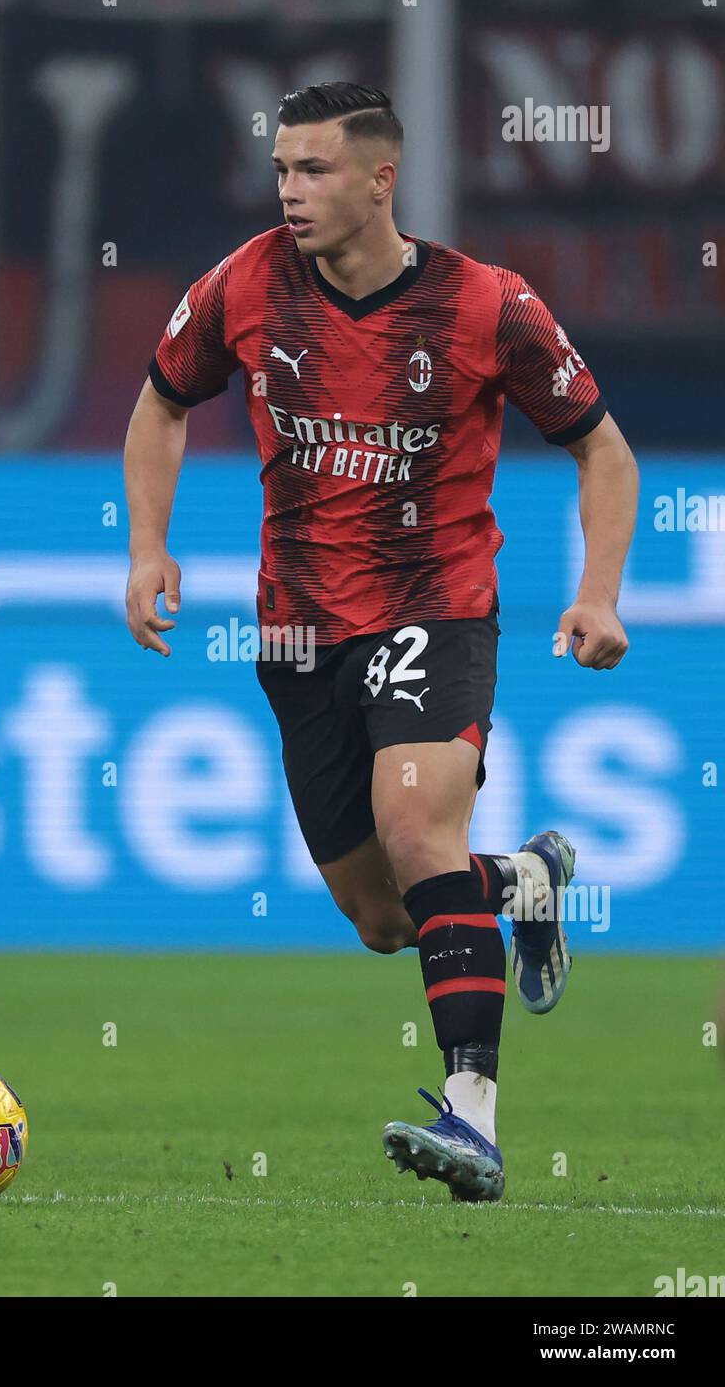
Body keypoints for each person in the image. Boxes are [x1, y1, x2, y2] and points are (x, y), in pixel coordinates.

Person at [124, 82, 638, 1202]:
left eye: (313, 170)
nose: (290, 191)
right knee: (380, 915)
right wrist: (148, 548)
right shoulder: (243, 284)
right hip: (299, 628)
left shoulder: (485, 306)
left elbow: (604, 451)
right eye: (279, 170)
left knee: (415, 821)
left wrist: (597, 593)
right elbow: (162, 401)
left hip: (433, 607)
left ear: (379, 180)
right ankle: (529, 881)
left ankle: (473, 1119)